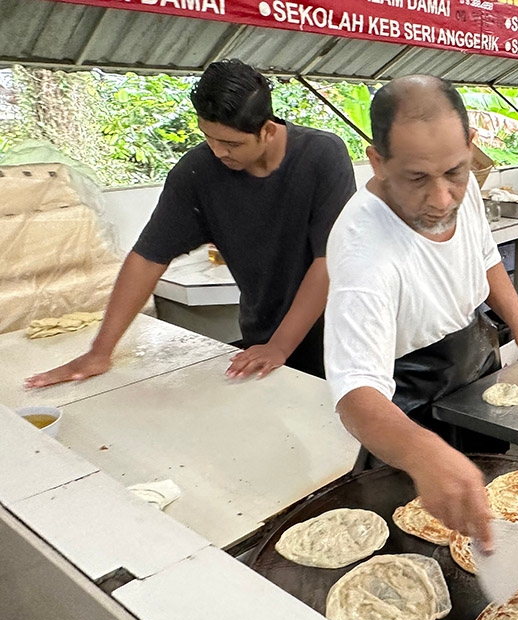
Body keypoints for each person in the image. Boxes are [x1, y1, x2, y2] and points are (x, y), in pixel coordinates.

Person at [324, 75, 518, 548]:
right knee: (426, 537)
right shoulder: (364, 251)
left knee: (494, 508)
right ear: (377, 161)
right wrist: (423, 455)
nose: (442, 199)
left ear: (469, 148)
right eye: (416, 178)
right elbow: (356, 392)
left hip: (474, 362)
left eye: (454, 173)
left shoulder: (461, 183)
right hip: (407, 403)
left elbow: (484, 258)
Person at [25, 60, 354, 388]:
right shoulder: (197, 173)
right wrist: (100, 351)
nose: (218, 151)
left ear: (267, 130)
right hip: (263, 339)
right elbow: (147, 258)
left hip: (342, 338)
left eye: (232, 143)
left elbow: (329, 261)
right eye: (209, 137)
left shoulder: (322, 155)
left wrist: (280, 346)